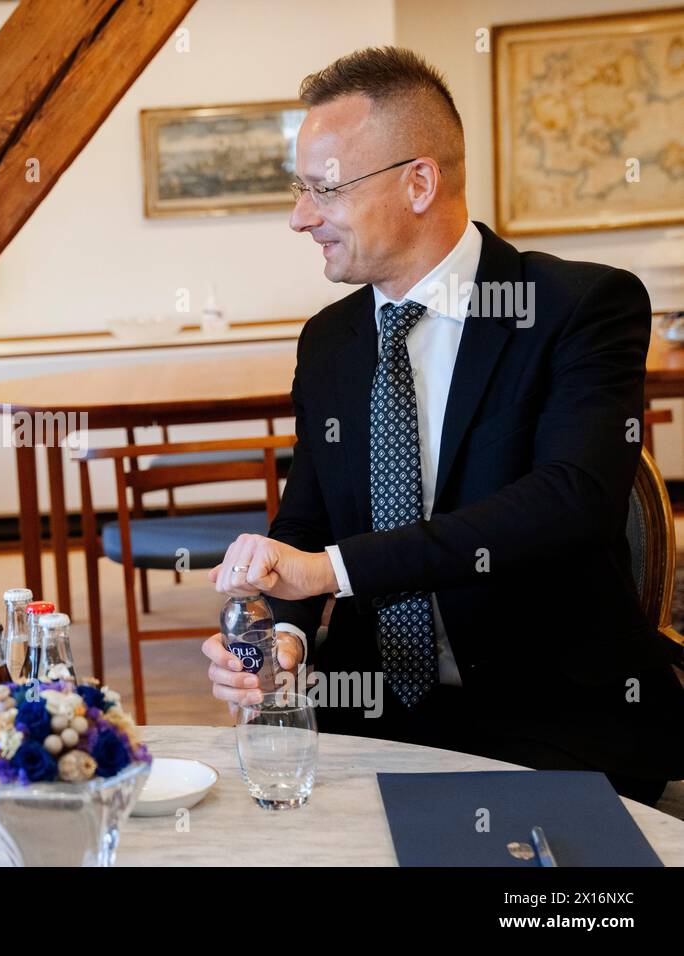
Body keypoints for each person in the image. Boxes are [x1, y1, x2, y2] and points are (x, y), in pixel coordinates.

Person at [202, 47, 684, 804]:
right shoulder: (329, 342)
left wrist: (334, 571)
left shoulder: (576, 307)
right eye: (300, 189)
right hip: (371, 708)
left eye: (323, 189)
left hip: (552, 710)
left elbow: (570, 502)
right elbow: (303, 524)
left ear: (418, 182)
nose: (300, 217)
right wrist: (284, 642)